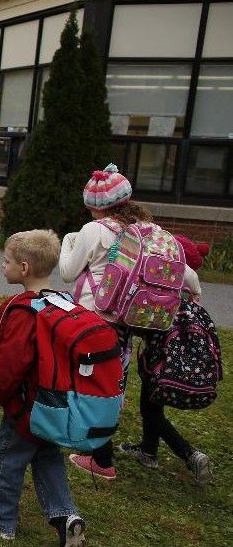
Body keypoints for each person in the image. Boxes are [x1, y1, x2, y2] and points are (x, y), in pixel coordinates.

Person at [59, 164, 200, 480]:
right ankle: (96, 447)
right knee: (112, 384)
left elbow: (68, 272)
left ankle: (101, 459)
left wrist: (68, 242)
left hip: (93, 318)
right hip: (128, 321)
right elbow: (186, 274)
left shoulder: (93, 231)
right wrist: (197, 290)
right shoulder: (149, 230)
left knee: (90, 381)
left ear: (92, 205)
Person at [0, 230, 87, 546]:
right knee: (48, 457)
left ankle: (0, 519)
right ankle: (66, 515)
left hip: (25, 409)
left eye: (5, 261)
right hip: (55, 405)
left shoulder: (25, 312)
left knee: (8, 459)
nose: (1, 266)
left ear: (23, 269)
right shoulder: (64, 303)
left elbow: (9, 365)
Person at [119, 234, 212, 485]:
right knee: (151, 402)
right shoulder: (190, 277)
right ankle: (148, 451)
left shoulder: (166, 268)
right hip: (177, 347)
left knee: (151, 406)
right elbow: (196, 298)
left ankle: (190, 454)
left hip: (158, 344)